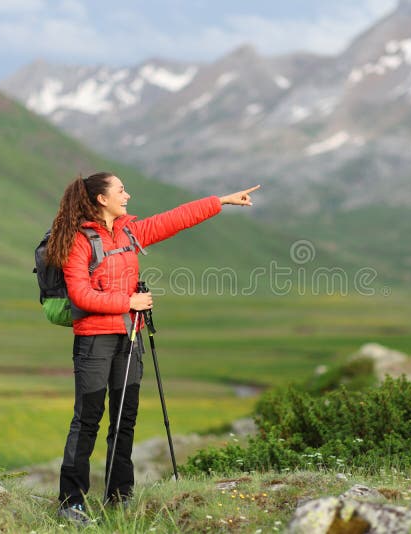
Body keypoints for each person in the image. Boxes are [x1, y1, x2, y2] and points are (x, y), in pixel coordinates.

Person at [44, 171, 259, 523]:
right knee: (87, 421)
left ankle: (119, 497)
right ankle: (72, 503)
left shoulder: (130, 231)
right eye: (121, 190)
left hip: (130, 336)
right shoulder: (78, 240)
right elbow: (81, 295)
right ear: (102, 199)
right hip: (94, 340)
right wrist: (129, 301)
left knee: (124, 420)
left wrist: (220, 201)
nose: (127, 195)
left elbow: (174, 219)